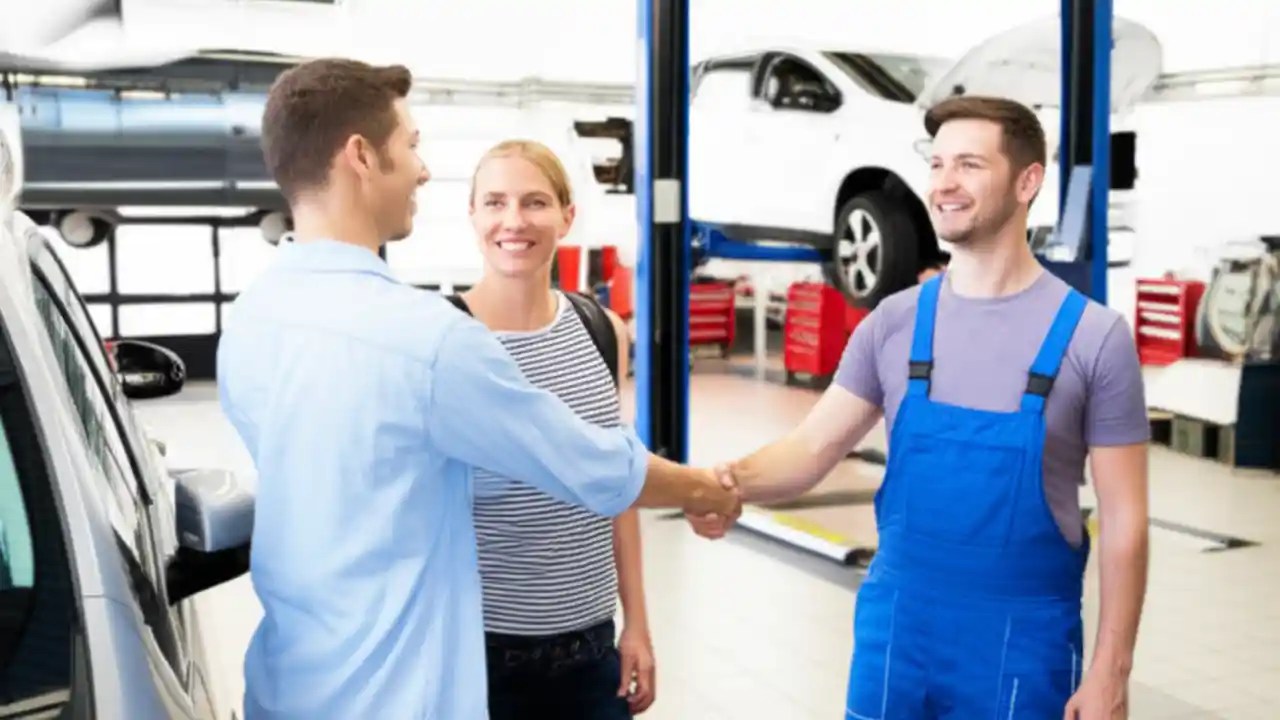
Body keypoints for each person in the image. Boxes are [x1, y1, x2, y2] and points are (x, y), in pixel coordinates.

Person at [217, 58, 740, 720]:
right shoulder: (426, 339)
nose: (423, 168)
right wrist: (707, 489)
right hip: (395, 696)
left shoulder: (255, 317)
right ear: (361, 156)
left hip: (288, 689)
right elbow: (590, 464)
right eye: (410, 145)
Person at [690, 95, 1150, 719]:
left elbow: (1125, 523)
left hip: (1022, 651)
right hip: (896, 641)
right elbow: (810, 450)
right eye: (936, 165)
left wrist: (1111, 672)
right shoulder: (894, 323)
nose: (943, 184)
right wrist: (721, 485)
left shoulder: (1094, 337)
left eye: (968, 165)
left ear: (1028, 180)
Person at [446, 139, 654, 718]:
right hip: (481, 658)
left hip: (591, 654)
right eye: (495, 202)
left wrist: (635, 623)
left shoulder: (600, 328)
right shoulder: (444, 339)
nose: (514, 221)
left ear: (567, 217)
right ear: (472, 216)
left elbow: (619, 484)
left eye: (535, 202)